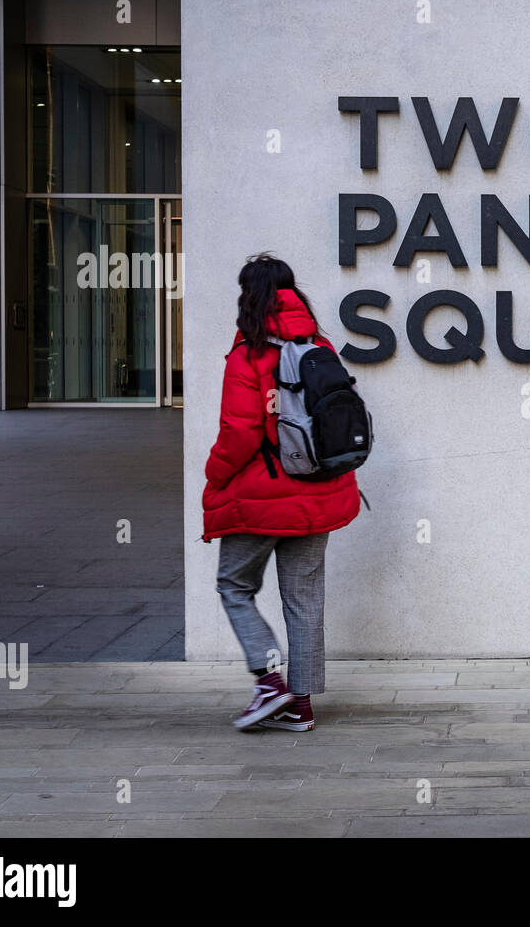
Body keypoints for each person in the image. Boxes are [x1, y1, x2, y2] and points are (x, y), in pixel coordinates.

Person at [201, 253, 360, 731]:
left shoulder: (248, 354)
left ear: (249, 296)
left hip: (262, 495)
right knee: (304, 599)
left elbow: (239, 432)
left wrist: (215, 475)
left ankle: (269, 681)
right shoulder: (321, 346)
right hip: (321, 490)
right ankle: (300, 704)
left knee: (234, 585)